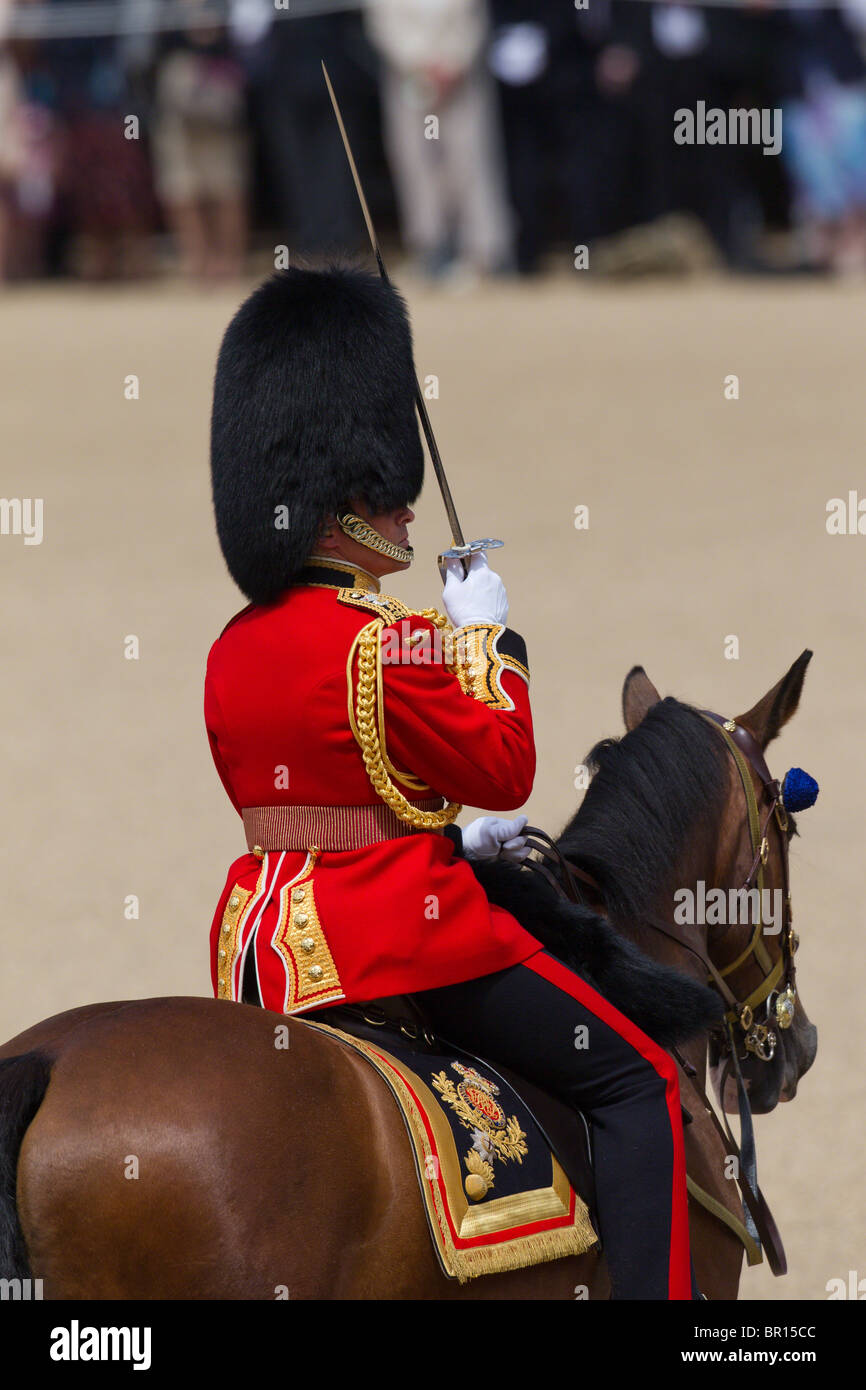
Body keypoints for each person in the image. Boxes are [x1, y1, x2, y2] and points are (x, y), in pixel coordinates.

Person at [206, 264, 697, 1299]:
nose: (407, 515)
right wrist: (488, 640)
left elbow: (322, 792)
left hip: (263, 946)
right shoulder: (394, 642)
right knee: (639, 1077)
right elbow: (505, 769)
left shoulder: (232, 645)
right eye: (391, 498)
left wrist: (433, 831)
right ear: (352, 501)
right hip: (394, 935)